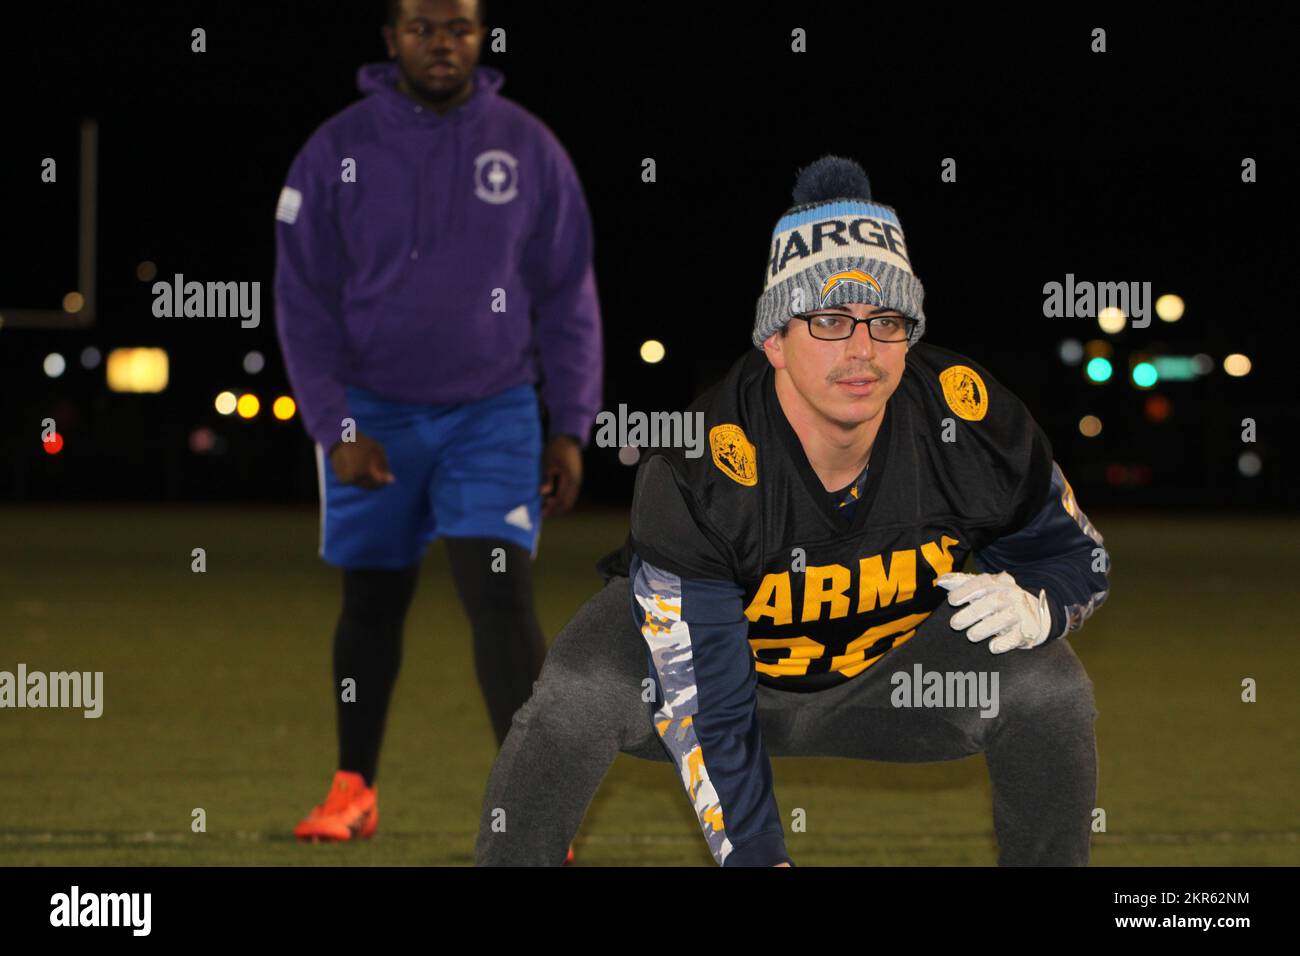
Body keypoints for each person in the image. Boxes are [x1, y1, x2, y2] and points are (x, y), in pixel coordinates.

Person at [475, 155, 1109, 867]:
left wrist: (1045, 602)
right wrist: (758, 855)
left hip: (894, 679)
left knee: (1048, 687)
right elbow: (707, 701)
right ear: (774, 339)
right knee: (579, 690)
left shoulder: (969, 419)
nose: (863, 350)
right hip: (723, 679)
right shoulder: (700, 466)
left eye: (887, 321)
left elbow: (1076, 554)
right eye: (831, 321)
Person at [274, 0, 602, 843]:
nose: (442, 43)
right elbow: (302, 300)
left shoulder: (528, 147)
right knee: (373, 600)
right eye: (423, 28)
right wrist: (335, 427)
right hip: (373, 412)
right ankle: (353, 790)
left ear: (481, 35)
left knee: (499, 594)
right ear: (391, 39)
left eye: (459, 26)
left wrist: (571, 424)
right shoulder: (335, 150)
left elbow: (567, 293)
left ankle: (536, 812)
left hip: (492, 410)